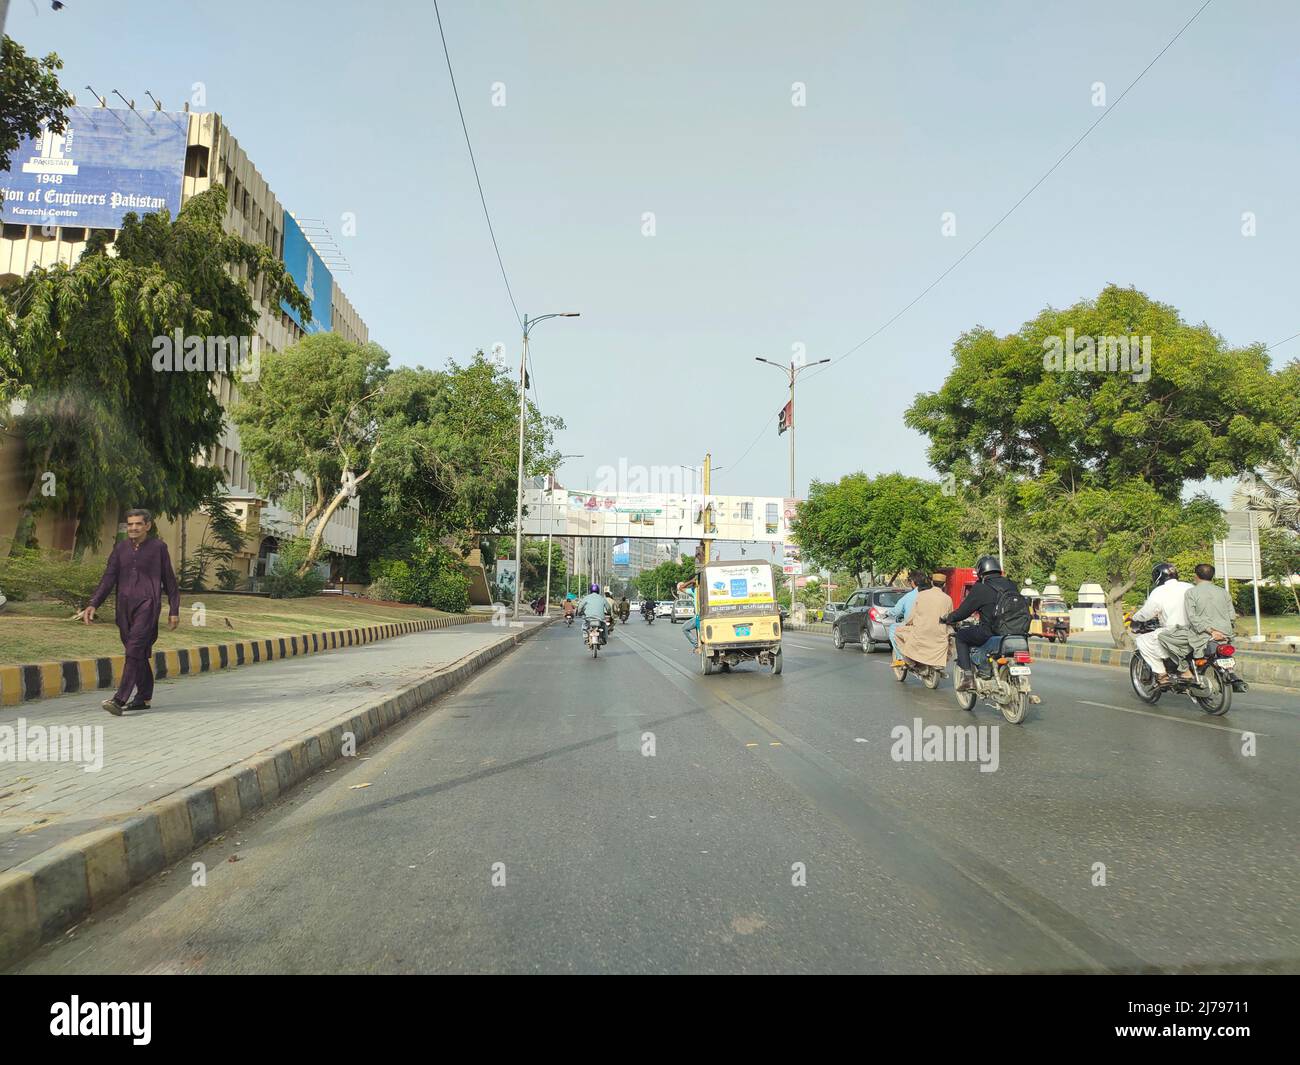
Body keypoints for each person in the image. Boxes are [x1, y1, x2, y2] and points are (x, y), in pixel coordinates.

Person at [83, 508, 180, 715]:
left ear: (148, 526)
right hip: (124, 607)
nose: (133, 528)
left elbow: (169, 581)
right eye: (130, 524)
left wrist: (174, 609)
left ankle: (119, 699)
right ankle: (144, 697)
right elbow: (108, 578)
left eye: (138, 524)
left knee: (134, 649)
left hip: (148, 604)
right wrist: (93, 603)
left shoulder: (158, 548)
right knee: (138, 653)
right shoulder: (120, 549)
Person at [939, 555, 1027, 692]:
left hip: (991, 631)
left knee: (961, 636)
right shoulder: (1011, 584)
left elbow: (963, 612)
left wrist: (948, 618)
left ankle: (968, 678)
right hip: (1017, 631)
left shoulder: (981, 587)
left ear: (981, 572)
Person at [1158, 563, 1235, 683]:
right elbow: (1232, 616)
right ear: (1212, 577)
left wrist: (1211, 631)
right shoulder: (1223, 592)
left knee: (1163, 637)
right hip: (1226, 634)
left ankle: (1184, 670)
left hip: (1203, 634)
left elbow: (1193, 618)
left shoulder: (1191, 592)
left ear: (1196, 576)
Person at [1130, 562, 1194, 688]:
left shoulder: (1160, 591)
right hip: (1195, 630)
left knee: (1142, 641)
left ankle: (1162, 675)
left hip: (1174, 630)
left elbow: (1148, 612)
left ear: (1158, 576)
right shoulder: (1190, 586)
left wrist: (1135, 617)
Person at [892, 570, 953, 668]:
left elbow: (912, 616)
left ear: (932, 583)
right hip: (939, 634)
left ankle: (909, 662)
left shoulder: (921, 595)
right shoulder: (948, 599)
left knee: (897, 632)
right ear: (944, 585)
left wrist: (907, 624)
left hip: (921, 633)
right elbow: (950, 617)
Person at [676, 576, 700, 652]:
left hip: (699, 617)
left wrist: (690, 581)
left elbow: (681, 588)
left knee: (684, 628)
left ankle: (696, 645)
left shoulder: (694, 591)